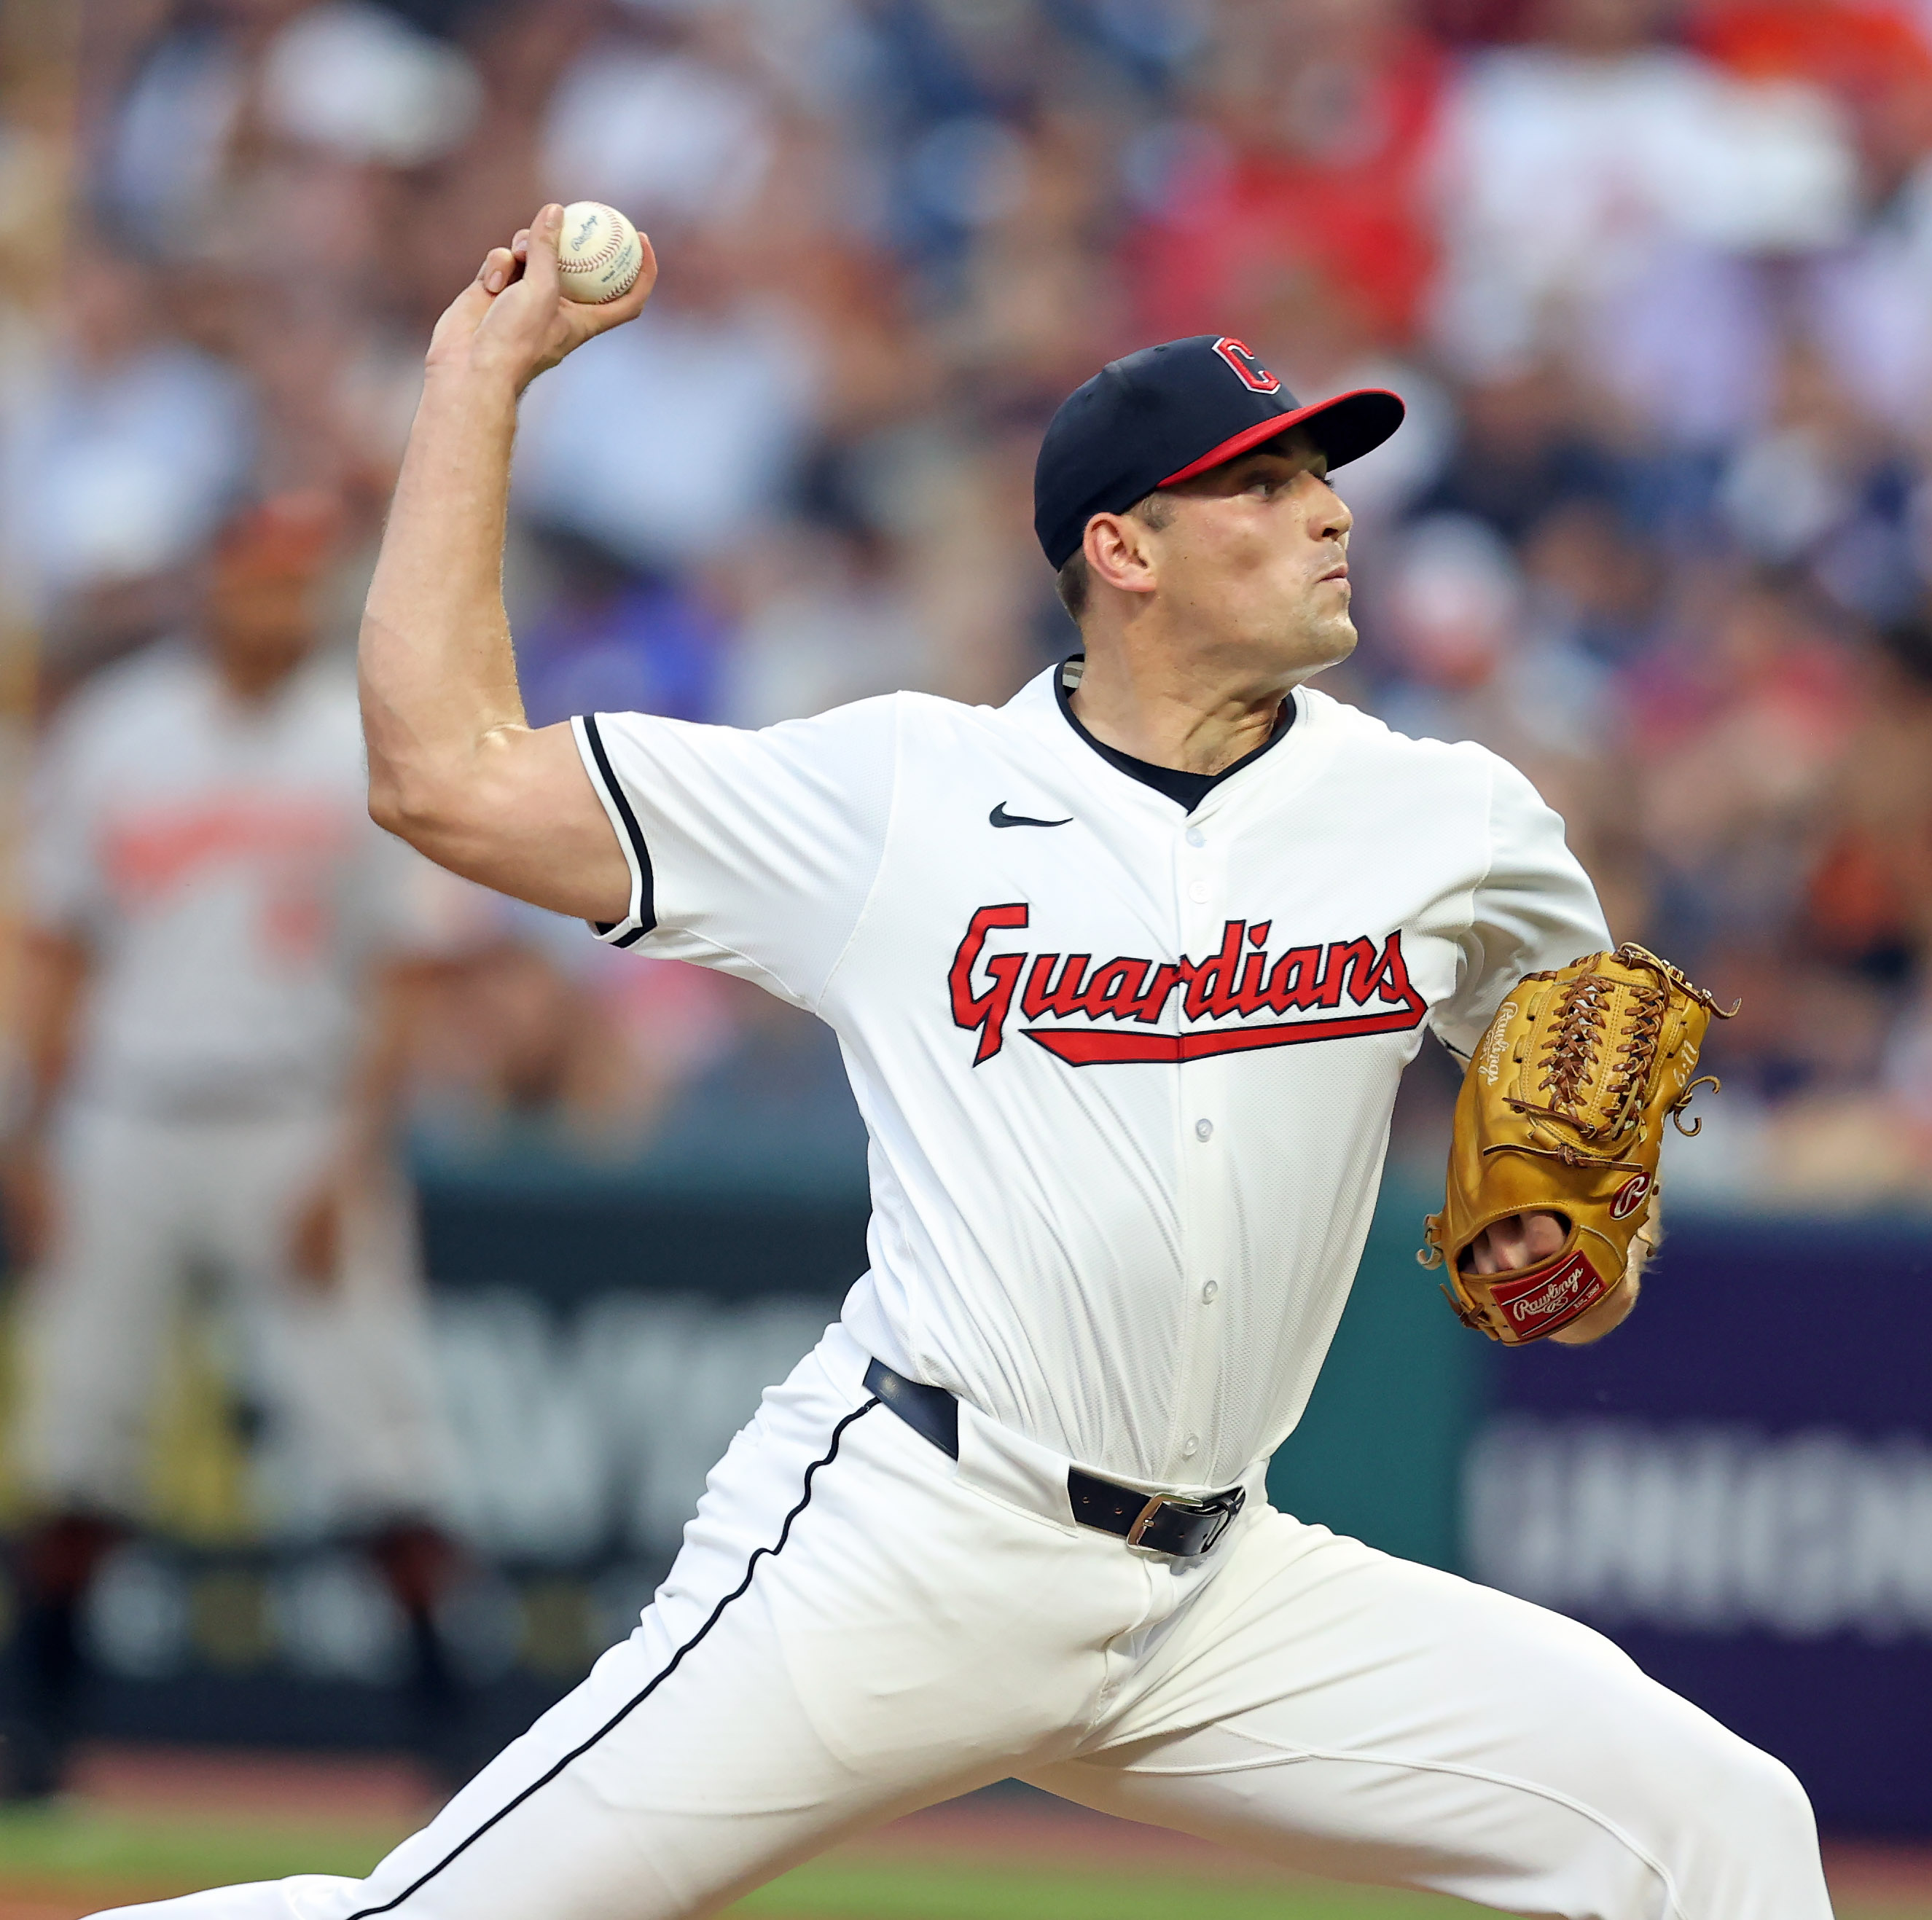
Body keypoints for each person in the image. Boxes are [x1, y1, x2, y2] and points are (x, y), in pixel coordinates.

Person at [104, 205, 1829, 1920]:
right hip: (918, 1538)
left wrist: (1569, 1255)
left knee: (1717, 1823)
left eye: (1326, 471)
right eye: (1260, 481)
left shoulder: (1453, 819)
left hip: (1222, 1592)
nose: (1326, 509)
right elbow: (447, 777)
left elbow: (1573, 1199)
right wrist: (475, 379)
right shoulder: (901, 798)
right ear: (1123, 552)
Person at [3, 494, 460, 1801]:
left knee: (375, 1428)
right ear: (212, 582)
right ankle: (38, 1733)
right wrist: (27, 1130)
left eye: (293, 581)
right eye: (256, 577)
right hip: (125, 1114)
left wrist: (354, 1158)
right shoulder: (119, 731)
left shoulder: (351, 742)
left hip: (295, 1114)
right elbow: (55, 943)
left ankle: (447, 1726)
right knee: (80, 1428)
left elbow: (404, 977)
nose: (275, 601)